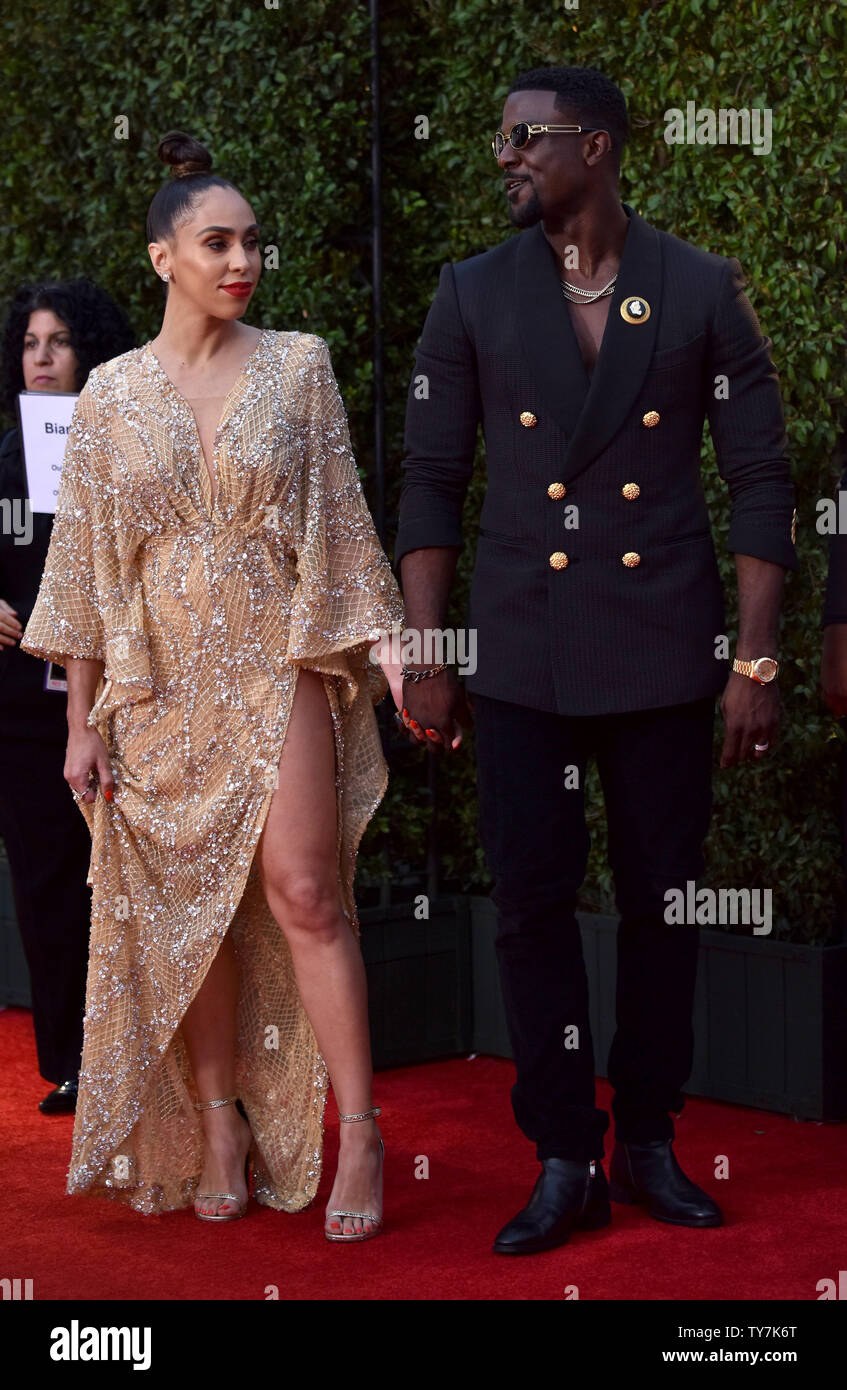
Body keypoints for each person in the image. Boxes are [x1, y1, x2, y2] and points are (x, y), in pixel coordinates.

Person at [395, 66, 797, 1255]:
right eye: (501, 137)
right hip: (521, 648)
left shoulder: (698, 285)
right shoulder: (471, 292)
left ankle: (650, 1138)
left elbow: (760, 477)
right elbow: (432, 481)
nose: (505, 155)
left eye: (527, 136)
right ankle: (563, 1152)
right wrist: (429, 647)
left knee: (662, 902)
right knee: (530, 907)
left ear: (599, 146)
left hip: (662, 648)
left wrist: (756, 659)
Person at [21, 131, 405, 1240]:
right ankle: (218, 1123)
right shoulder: (108, 395)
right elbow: (86, 567)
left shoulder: (299, 366)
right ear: (164, 258)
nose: (243, 261)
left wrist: (389, 645)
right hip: (153, 686)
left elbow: (342, 524)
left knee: (305, 893)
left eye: (252, 243)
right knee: (190, 912)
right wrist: (80, 722)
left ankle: (361, 1132)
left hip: (275, 661)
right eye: (217, 243)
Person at [0, 278, 135, 1114]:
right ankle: (76, 1063)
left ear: (90, 351)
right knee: (47, 884)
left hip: (127, 700)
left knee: (130, 883)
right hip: (22, 711)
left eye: (58, 341)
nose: (42, 357)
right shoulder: (1, 455)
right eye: (28, 342)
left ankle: (152, 1064)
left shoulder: (128, 442)